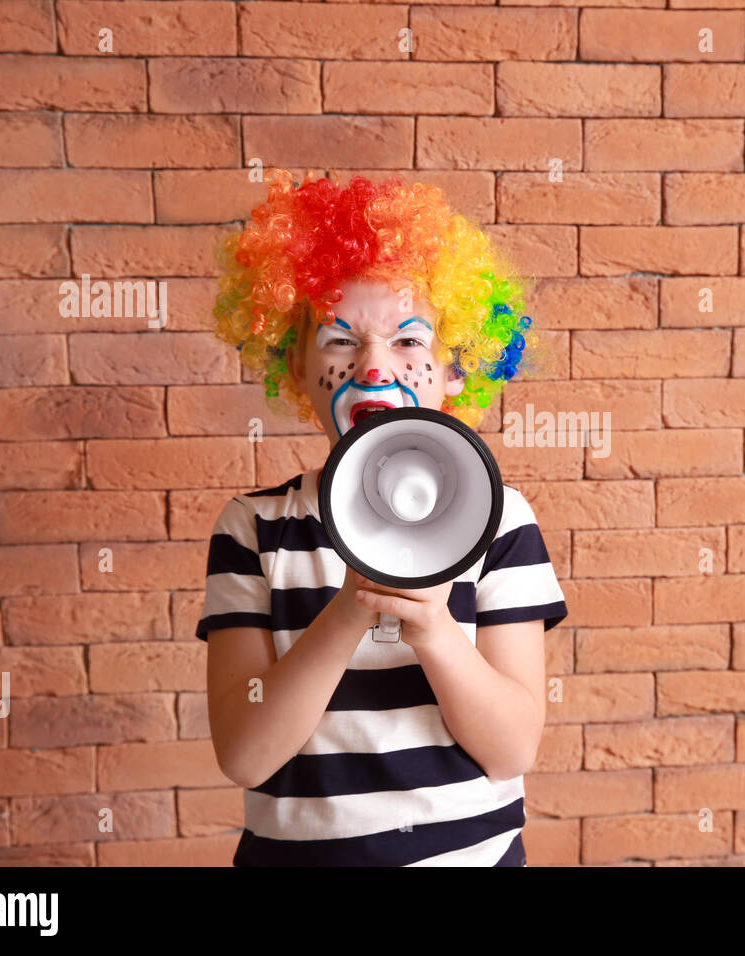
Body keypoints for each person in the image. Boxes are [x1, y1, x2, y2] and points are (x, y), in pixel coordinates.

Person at [195, 170, 568, 866]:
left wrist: (432, 628)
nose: (372, 368)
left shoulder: (503, 522)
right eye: (339, 341)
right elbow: (245, 755)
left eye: (407, 342)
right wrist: (347, 611)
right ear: (294, 365)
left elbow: (514, 747)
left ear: (456, 367)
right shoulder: (252, 530)